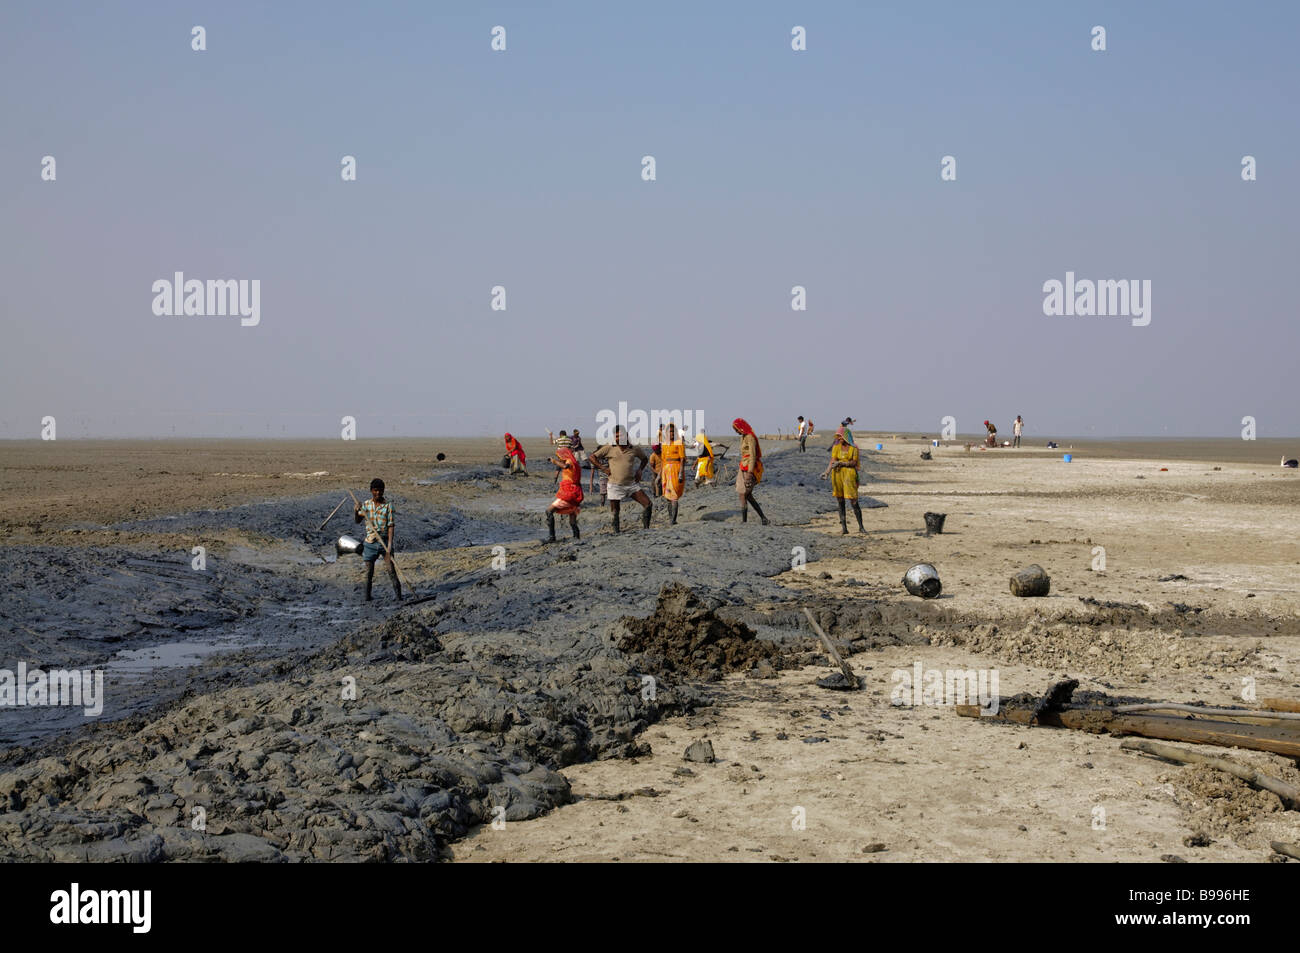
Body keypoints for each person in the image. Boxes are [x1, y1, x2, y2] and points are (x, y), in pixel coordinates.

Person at [588, 425, 652, 532]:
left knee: (648, 504)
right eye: (616, 436)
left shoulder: (634, 448)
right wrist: (603, 468)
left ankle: (646, 530)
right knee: (615, 511)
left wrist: (640, 470)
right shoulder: (609, 448)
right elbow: (592, 457)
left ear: (626, 436)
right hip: (614, 485)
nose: (618, 438)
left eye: (621, 435)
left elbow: (645, 459)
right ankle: (616, 532)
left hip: (631, 484)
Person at [354, 478, 401, 601]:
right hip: (369, 543)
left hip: (384, 542)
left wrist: (389, 545)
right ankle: (367, 598)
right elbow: (357, 521)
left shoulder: (388, 506)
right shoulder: (366, 505)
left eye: (380, 491)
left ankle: (399, 597)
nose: (378, 493)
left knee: (391, 570)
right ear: (371, 491)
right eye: (375, 491)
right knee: (369, 573)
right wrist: (356, 510)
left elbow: (391, 526)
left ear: (383, 491)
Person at [821, 429, 865, 534]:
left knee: (854, 501)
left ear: (846, 437)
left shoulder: (854, 448)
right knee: (840, 501)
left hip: (849, 475)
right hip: (837, 475)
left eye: (840, 437)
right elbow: (832, 461)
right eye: (838, 437)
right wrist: (826, 472)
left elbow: (854, 462)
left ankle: (861, 527)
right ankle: (844, 528)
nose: (839, 439)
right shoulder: (836, 447)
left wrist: (842, 463)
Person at [733, 418, 769, 525]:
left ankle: (746, 521)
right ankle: (763, 518)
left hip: (750, 467)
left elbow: (753, 455)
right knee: (743, 494)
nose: (736, 432)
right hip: (742, 466)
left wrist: (750, 473)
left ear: (741, 427)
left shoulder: (750, 437)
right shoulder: (743, 437)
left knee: (745, 494)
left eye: (737, 429)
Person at [544, 446, 583, 541]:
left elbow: (565, 466)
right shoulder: (575, 463)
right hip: (575, 492)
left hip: (569, 493)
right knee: (572, 518)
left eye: (560, 457)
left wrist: (554, 461)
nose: (559, 459)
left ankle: (552, 537)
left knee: (549, 511)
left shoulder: (569, 462)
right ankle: (576, 537)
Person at [659, 421, 687, 524]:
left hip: (676, 469)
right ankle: (671, 518)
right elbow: (663, 460)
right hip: (666, 471)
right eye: (669, 432)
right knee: (667, 496)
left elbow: (683, 459)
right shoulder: (664, 444)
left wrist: (681, 472)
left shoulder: (679, 443)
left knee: (674, 496)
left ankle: (674, 520)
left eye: (672, 432)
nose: (671, 434)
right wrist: (659, 476)